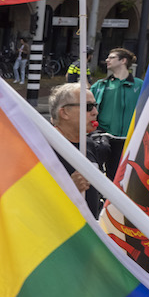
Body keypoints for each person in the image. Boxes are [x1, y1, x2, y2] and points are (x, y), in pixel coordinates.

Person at [48, 82, 113, 218]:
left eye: (95, 106)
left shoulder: (89, 144)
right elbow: (29, 198)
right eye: (88, 107)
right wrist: (70, 188)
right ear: (65, 112)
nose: (95, 112)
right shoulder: (44, 147)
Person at [89, 47, 144, 139]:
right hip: (104, 138)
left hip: (132, 139)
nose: (107, 60)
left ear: (123, 61)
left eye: (111, 58)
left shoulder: (140, 85)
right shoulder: (100, 85)